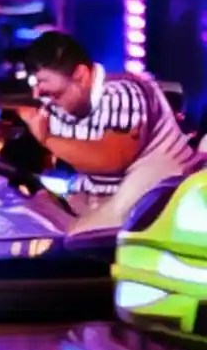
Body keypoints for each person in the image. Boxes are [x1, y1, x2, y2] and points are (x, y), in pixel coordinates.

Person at [17, 31, 201, 232]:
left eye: (53, 93)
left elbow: (111, 159)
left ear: (81, 76)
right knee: (27, 216)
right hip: (104, 198)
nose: (41, 96)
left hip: (161, 196)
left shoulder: (124, 93)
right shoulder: (56, 105)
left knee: (83, 232)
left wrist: (47, 138)